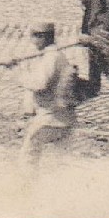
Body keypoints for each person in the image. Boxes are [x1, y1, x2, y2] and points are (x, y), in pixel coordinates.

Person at [19, 21, 78, 166]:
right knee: (61, 162)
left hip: (50, 118)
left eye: (34, 38)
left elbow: (39, 84)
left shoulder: (51, 58)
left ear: (42, 37)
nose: (32, 42)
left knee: (28, 155)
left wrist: (19, 73)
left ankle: (26, 187)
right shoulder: (56, 55)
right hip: (66, 118)